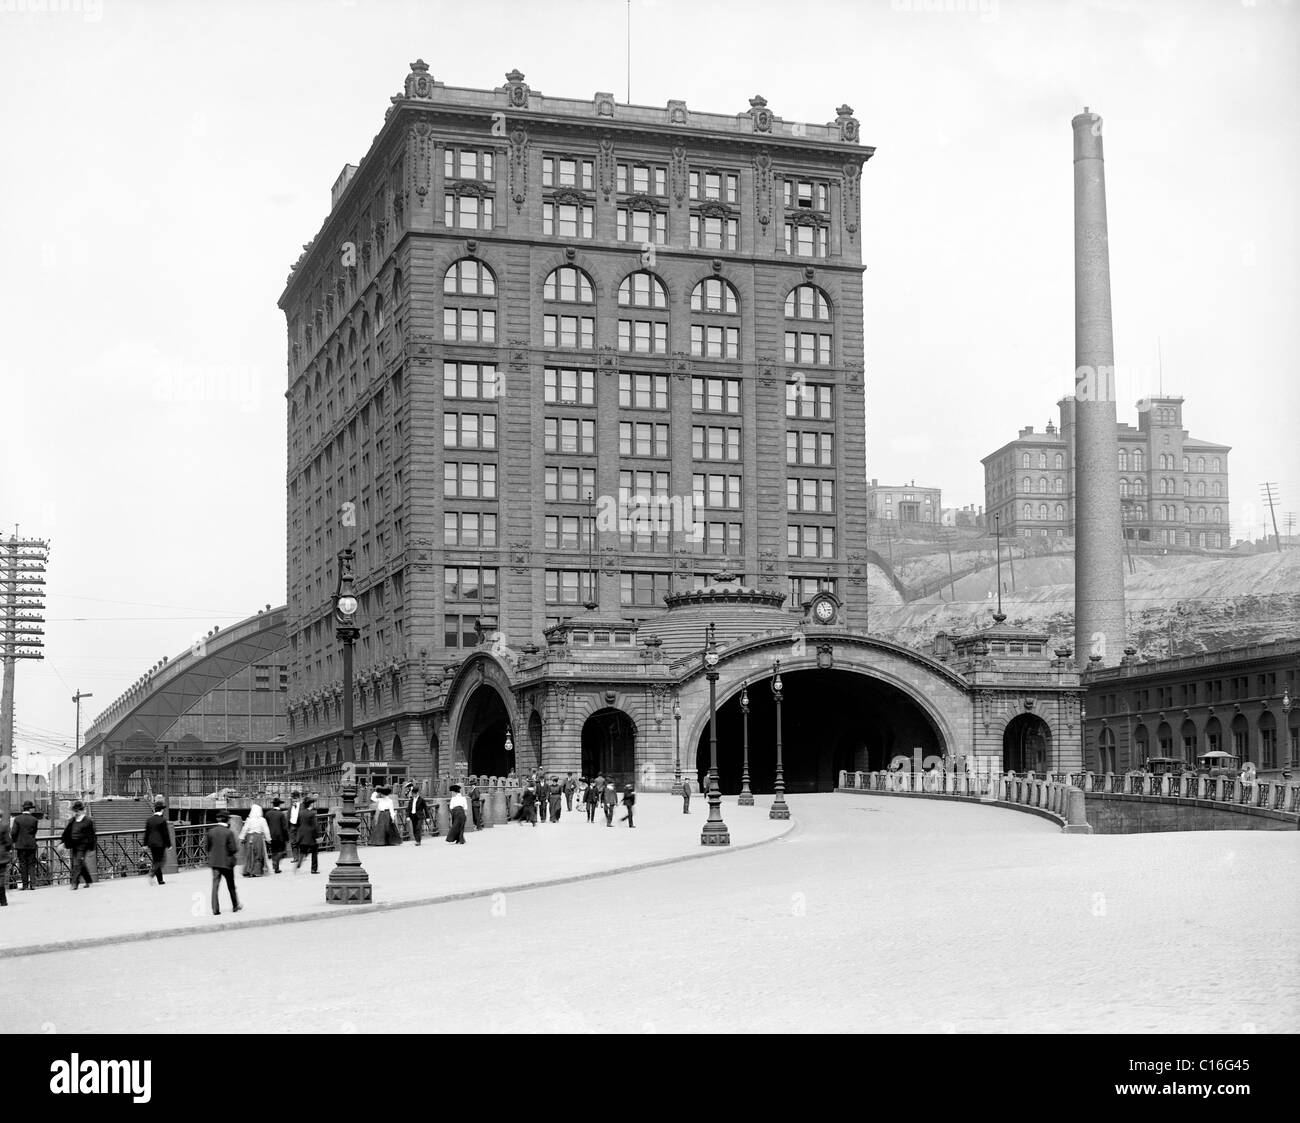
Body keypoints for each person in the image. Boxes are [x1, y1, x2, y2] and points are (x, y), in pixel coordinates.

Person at [206, 811, 242, 915]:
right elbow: (233, 849)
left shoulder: (211, 832)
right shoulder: (228, 832)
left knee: (215, 886)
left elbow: (207, 847)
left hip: (215, 863)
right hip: (227, 863)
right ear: (227, 820)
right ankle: (235, 905)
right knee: (231, 885)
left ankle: (215, 909)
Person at [60, 801, 96, 890]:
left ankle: (74, 883)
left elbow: (91, 835)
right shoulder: (72, 820)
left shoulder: (88, 821)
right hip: (74, 845)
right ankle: (88, 880)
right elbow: (66, 833)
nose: (75, 813)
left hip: (83, 845)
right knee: (80, 863)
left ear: (81, 811)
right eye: (74, 811)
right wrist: (63, 843)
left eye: (76, 811)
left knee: (77, 863)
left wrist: (91, 847)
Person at [11, 800, 42, 891]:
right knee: (31, 864)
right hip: (31, 844)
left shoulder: (17, 819)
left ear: (23, 808)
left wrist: (14, 840)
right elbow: (34, 831)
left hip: (20, 845)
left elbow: (13, 832)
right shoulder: (34, 819)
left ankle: (25, 885)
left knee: (23, 864)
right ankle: (33, 884)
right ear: (30, 809)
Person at [143, 799, 172, 885]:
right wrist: (169, 844)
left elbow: (147, 833)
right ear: (162, 810)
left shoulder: (149, 820)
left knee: (156, 860)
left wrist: (145, 844)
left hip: (151, 843)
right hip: (160, 843)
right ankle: (152, 874)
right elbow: (165, 834)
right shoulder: (162, 820)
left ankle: (160, 880)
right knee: (161, 861)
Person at [240, 804, 270, 877]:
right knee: (258, 854)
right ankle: (256, 871)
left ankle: (247, 870)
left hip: (249, 837)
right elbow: (266, 830)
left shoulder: (249, 820)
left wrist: (242, 837)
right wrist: (268, 839)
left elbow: (245, 829)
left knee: (249, 854)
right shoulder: (262, 820)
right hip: (258, 837)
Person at [294, 798, 319, 873]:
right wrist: (317, 836)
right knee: (314, 852)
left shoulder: (300, 813)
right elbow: (315, 826)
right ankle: (313, 869)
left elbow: (297, 824)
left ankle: (299, 862)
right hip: (310, 835)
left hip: (302, 835)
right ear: (310, 804)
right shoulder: (312, 813)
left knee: (303, 850)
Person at [265, 797, 289, 873]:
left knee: (274, 851)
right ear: (279, 804)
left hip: (271, 835)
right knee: (281, 851)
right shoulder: (281, 814)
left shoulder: (268, 813)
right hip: (280, 836)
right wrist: (287, 837)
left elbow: (266, 825)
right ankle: (276, 863)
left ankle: (276, 868)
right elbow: (284, 827)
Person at [287, 789, 303, 865]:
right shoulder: (290, 807)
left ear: (298, 798)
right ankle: (295, 857)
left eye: (295, 798)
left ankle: (299, 856)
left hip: (299, 826)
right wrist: (288, 828)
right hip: (292, 826)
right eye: (293, 798)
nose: (294, 800)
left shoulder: (302, 807)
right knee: (293, 842)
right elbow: (288, 818)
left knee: (299, 841)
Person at [0, 815, 11, 906]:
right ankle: (3, 900)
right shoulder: (3, 827)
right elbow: (8, 842)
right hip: (1, 855)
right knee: (1, 876)